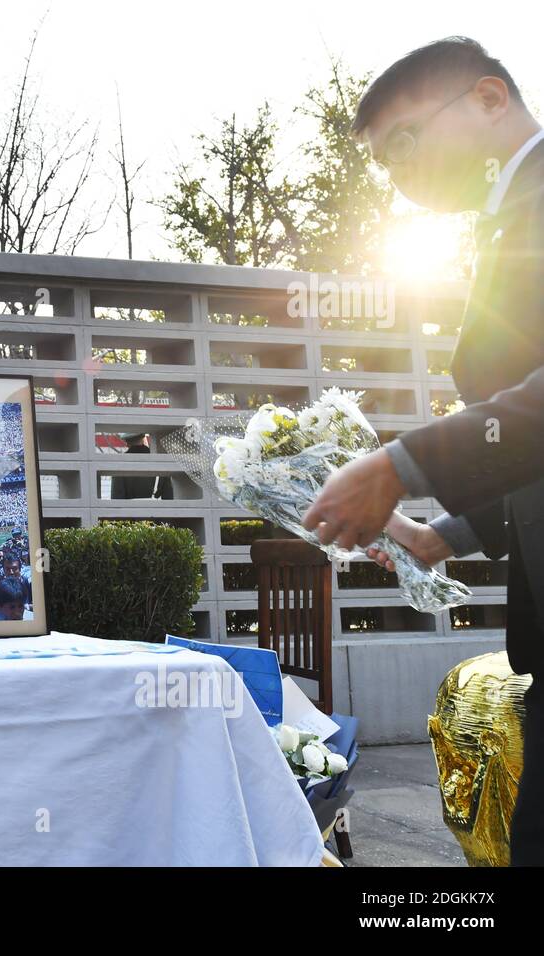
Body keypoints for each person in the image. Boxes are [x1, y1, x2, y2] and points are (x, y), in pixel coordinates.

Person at [302, 37, 544, 865]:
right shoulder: (506, 220)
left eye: (405, 142)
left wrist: (399, 464)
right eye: (384, 165)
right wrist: (442, 533)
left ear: (487, 98)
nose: (399, 175)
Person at [110, 434, 173, 500]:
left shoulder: (119, 463)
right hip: (153, 509)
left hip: (129, 509)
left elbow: (116, 498)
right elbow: (168, 496)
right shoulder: (160, 462)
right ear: (143, 439)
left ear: (127, 443)